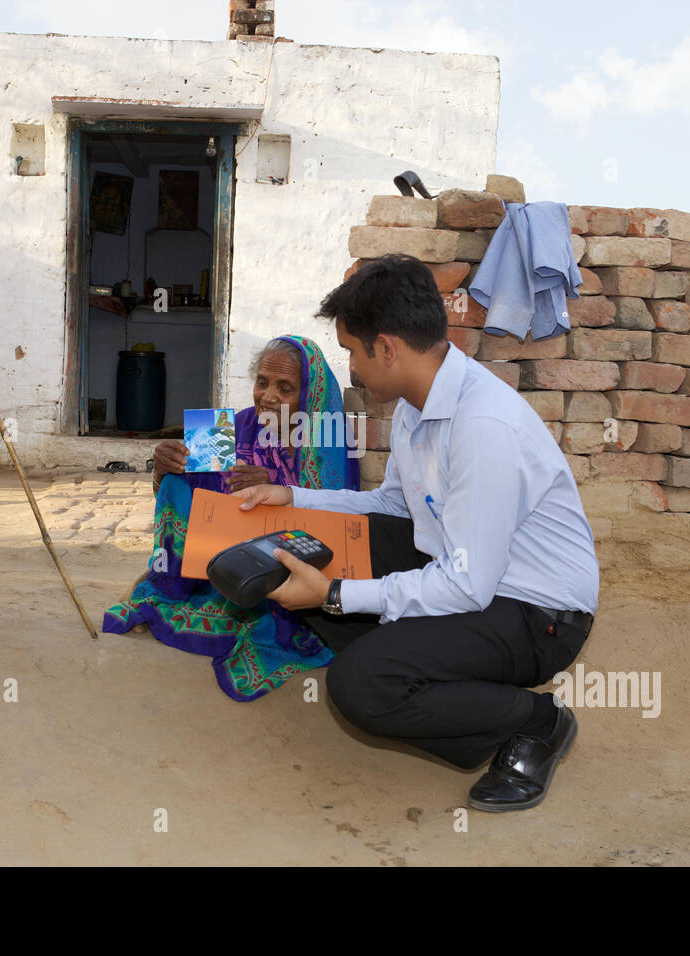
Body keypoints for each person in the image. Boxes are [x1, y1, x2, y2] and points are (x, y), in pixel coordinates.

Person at [233, 254, 600, 812]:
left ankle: (536, 722)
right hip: (470, 574)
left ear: (386, 348)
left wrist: (336, 596)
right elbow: (390, 505)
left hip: (535, 613)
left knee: (358, 685)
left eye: (352, 351)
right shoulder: (415, 400)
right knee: (311, 555)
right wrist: (295, 499)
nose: (350, 368)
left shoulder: (483, 426)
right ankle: (423, 670)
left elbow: (469, 587)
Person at [102, 334, 361, 701]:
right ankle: (174, 585)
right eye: (262, 382)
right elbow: (176, 488)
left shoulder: (328, 442)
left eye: (284, 387)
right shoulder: (236, 426)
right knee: (178, 483)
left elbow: (337, 519)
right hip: (227, 555)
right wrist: (164, 467)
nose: (268, 396)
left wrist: (277, 486)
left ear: (309, 397)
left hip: (289, 568)